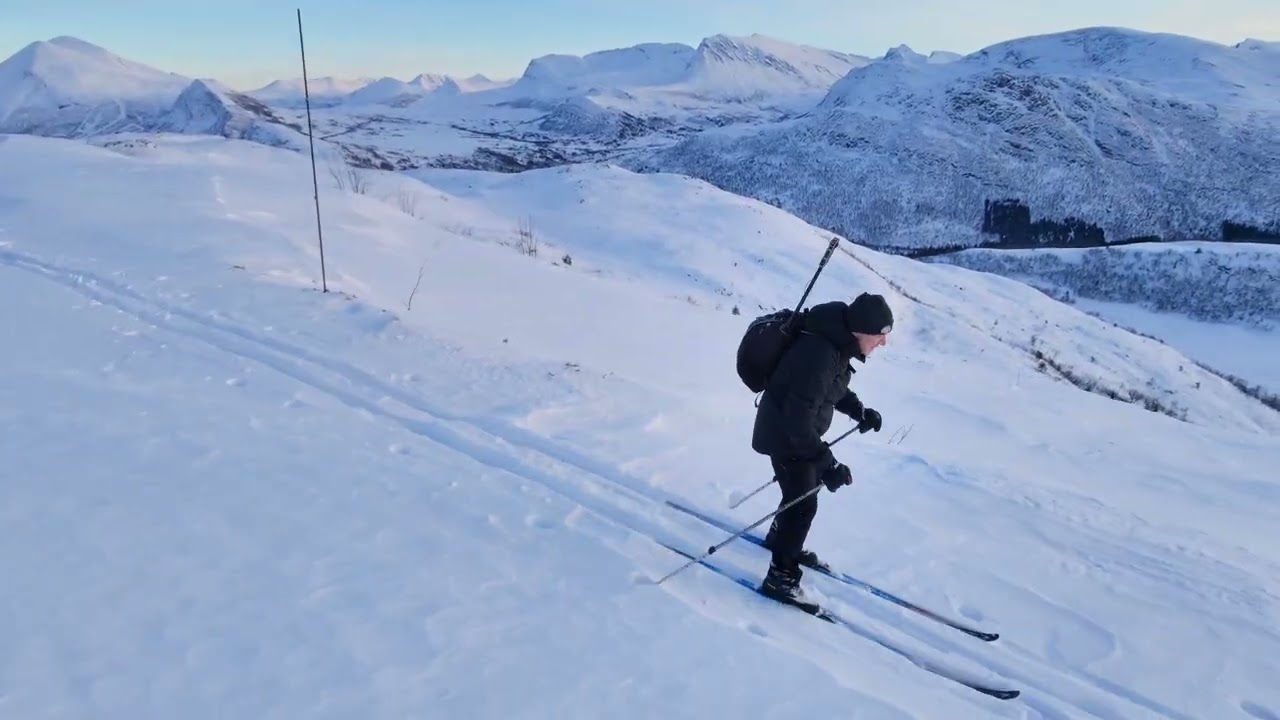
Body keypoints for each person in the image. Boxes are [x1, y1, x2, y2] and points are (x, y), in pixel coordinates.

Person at [749, 292, 893, 608]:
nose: (883, 344)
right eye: (880, 336)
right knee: (803, 502)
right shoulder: (820, 352)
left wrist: (860, 411)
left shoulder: (835, 345)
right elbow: (798, 419)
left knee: (800, 490)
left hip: (794, 433)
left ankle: (780, 538)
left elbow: (829, 388)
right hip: (785, 435)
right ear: (862, 330)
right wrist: (829, 464)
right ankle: (781, 578)